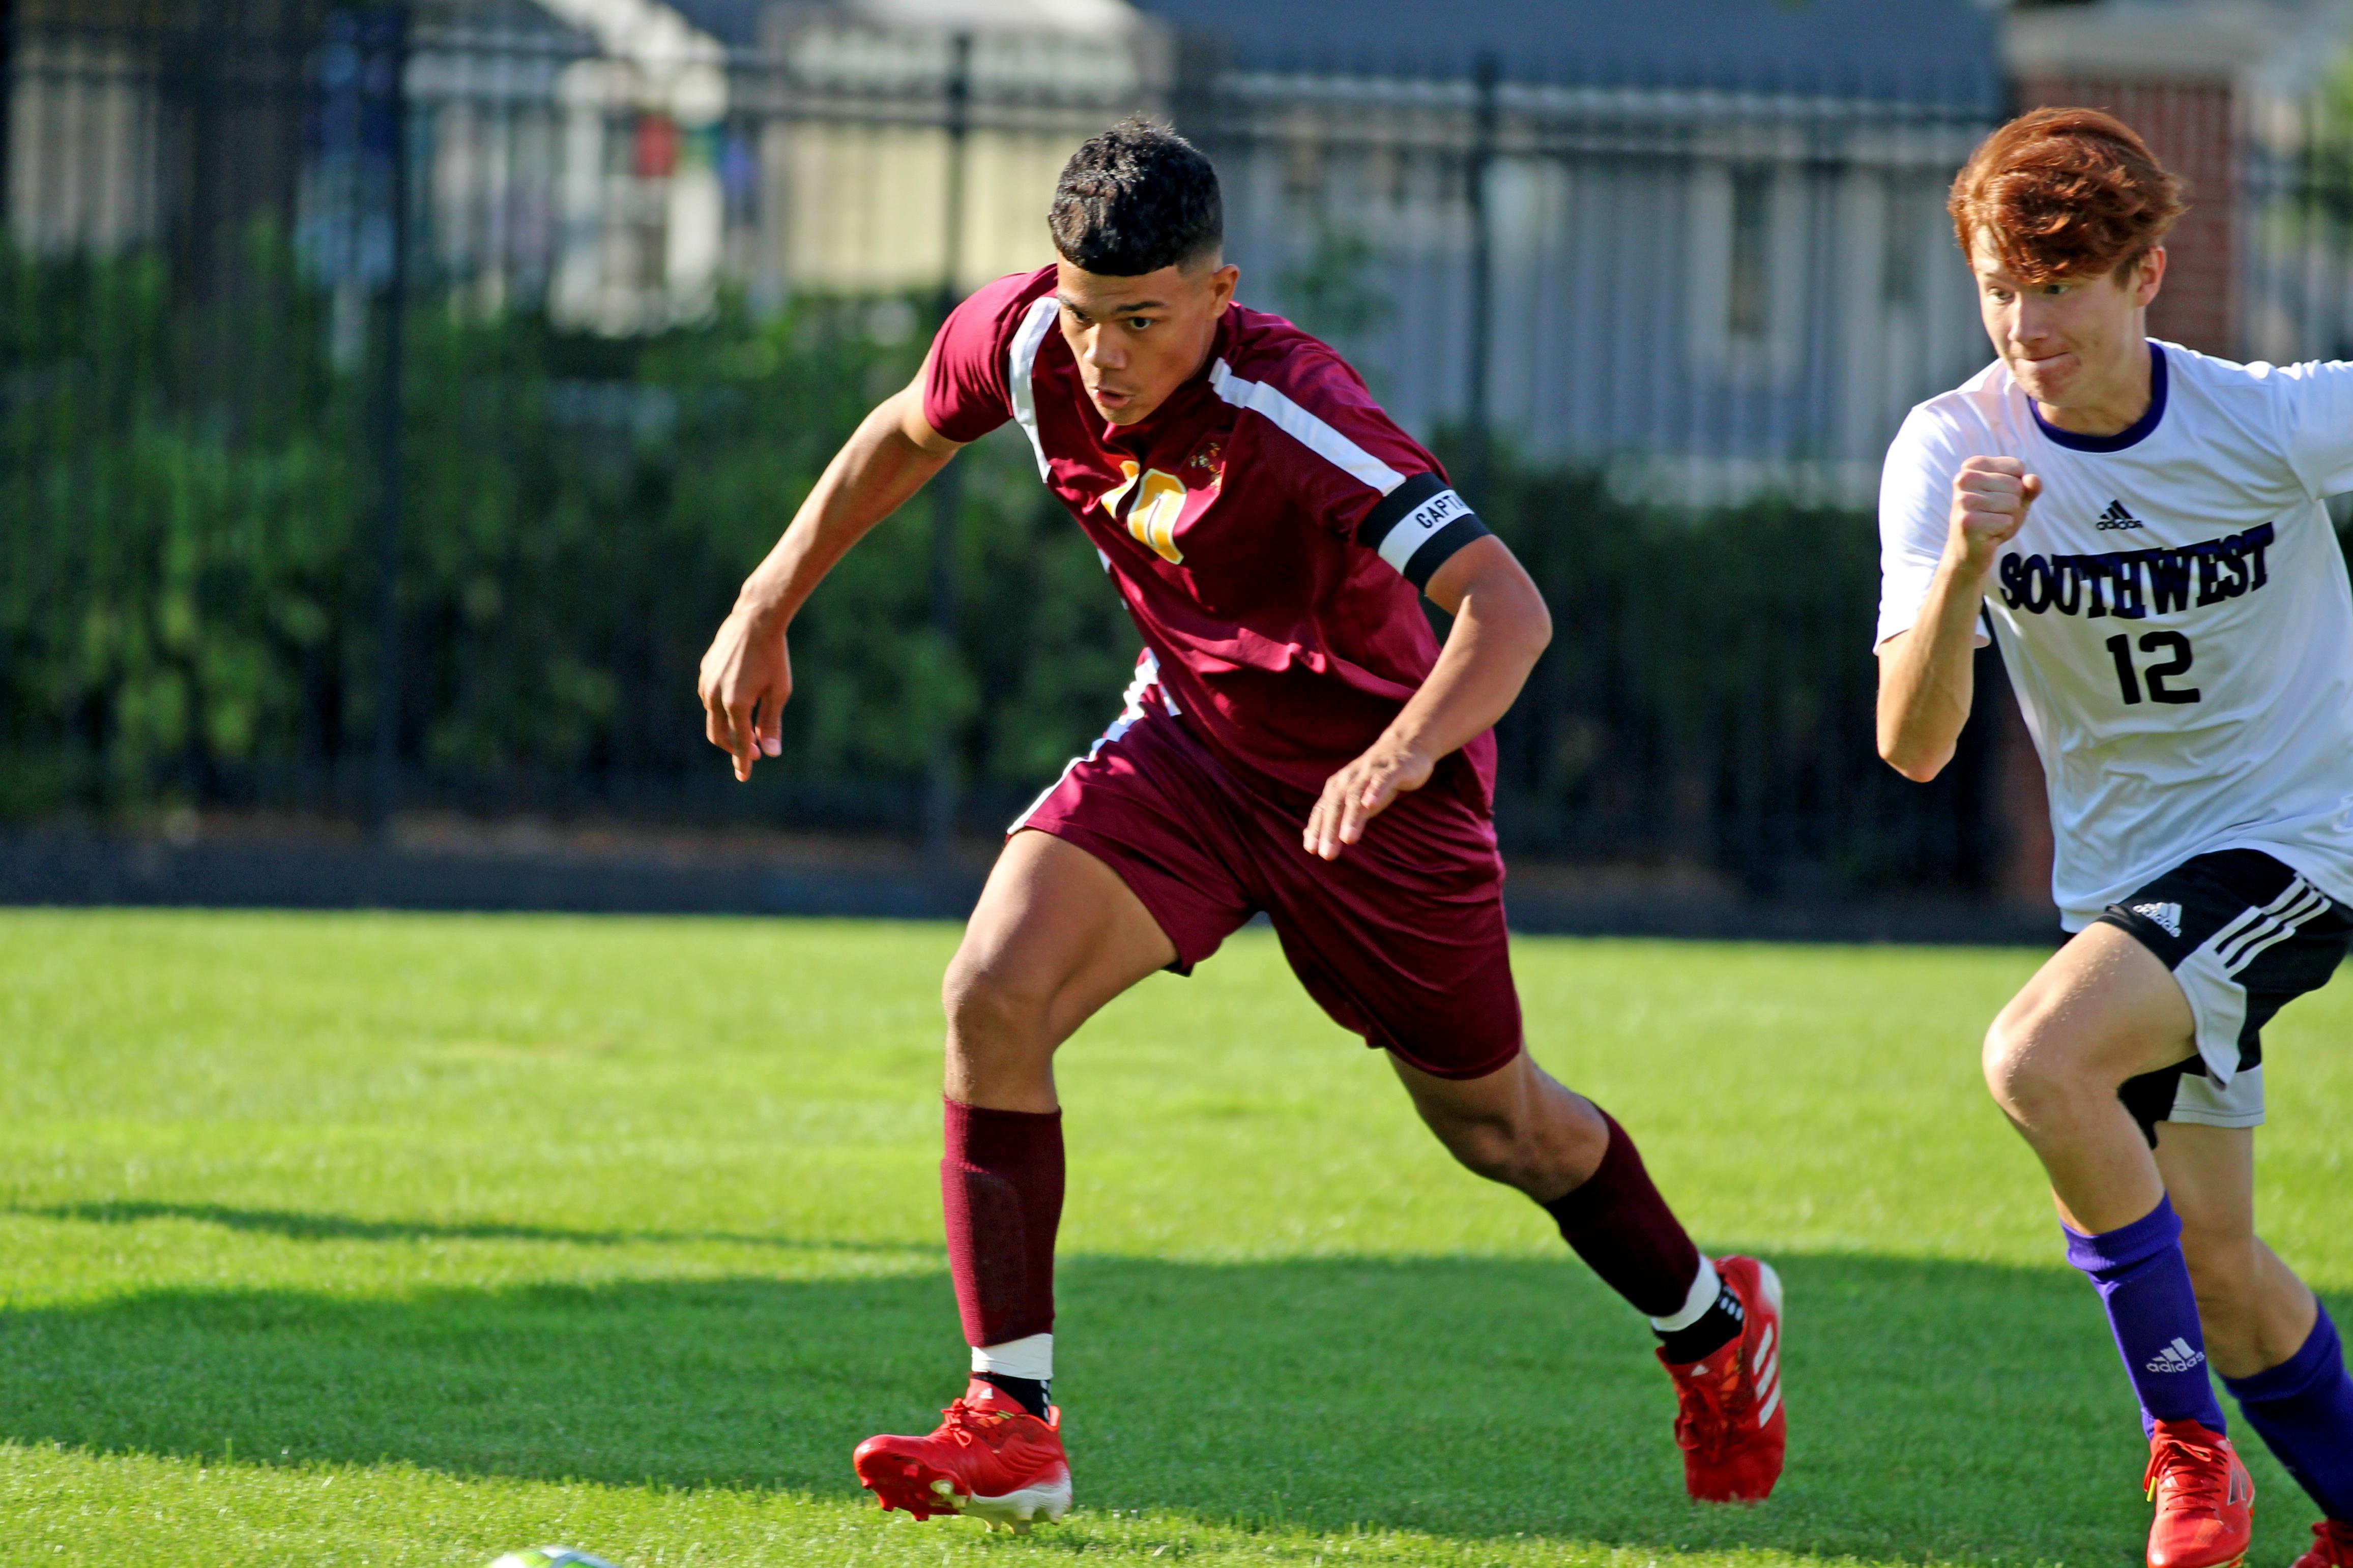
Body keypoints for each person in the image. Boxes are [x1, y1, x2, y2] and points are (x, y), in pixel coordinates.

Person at [697, 117, 1786, 1530]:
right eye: (1084, 312)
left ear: (1218, 297)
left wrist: (1396, 754)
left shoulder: (1294, 408)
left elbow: (1508, 610)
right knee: (990, 992)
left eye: (1140, 321)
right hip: (1192, 755)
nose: (1102, 353)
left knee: (1498, 1127)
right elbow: (905, 427)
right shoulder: (1028, 341)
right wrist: (766, 601)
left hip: (1379, 800)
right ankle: (1010, 1415)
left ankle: (1710, 1325)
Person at [1877, 107, 2353, 1568]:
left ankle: (2189, 1450)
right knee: (2219, 1269)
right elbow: (1911, 743)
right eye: (1998, 286)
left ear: (2145, 278)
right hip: (2125, 896)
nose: (2026, 324)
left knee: (2035, 1057)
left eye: (2061, 286)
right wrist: (1967, 561)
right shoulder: (1948, 449)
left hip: (2295, 853)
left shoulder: (2267, 420)